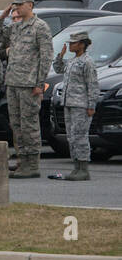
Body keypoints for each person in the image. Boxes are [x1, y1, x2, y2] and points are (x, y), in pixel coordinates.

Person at [0, 0, 53, 179]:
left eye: (20, 4)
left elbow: (46, 56)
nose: (16, 8)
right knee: (16, 124)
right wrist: (2, 16)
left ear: (30, 5)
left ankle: (32, 164)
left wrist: (40, 84)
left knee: (29, 124)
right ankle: (22, 161)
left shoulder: (40, 27)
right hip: (13, 82)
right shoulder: (16, 27)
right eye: (14, 5)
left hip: (29, 83)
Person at [53, 30, 98, 181]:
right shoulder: (72, 61)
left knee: (80, 136)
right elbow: (58, 69)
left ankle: (83, 168)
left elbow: (92, 85)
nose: (70, 45)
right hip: (69, 104)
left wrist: (91, 105)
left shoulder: (87, 62)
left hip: (81, 105)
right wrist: (60, 56)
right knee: (71, 137)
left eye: (73, 43)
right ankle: (76, 167)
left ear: (82, 44)